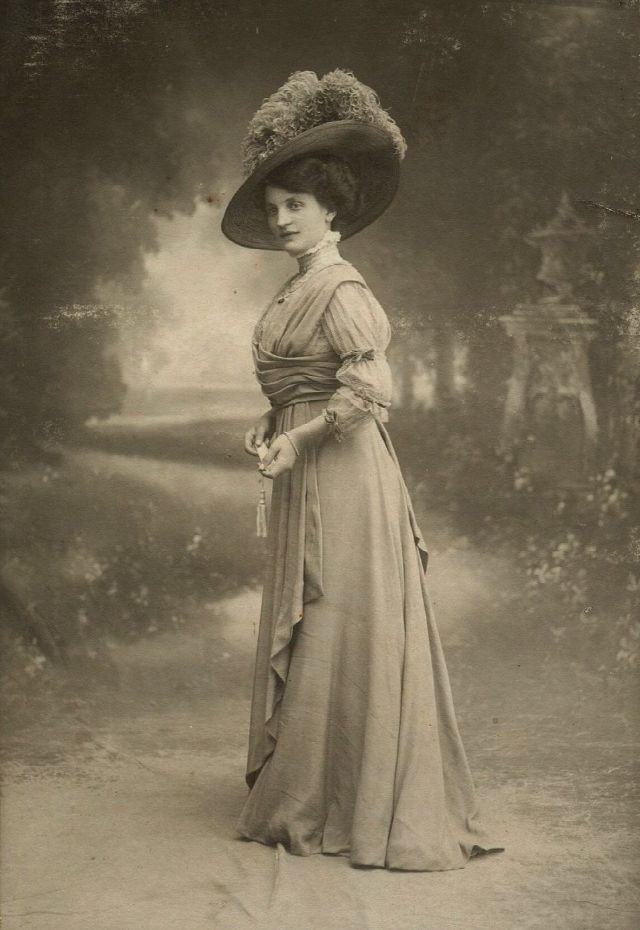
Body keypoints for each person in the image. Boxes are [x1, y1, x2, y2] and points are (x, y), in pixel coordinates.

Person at [221, 69, 502, 871]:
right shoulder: (295, 287)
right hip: (308, 463)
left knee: (340, 613)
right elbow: (297, 385)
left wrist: (302, 440)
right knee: (320, 622)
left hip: (344, 474)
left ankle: (355, 793)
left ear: (332, 209)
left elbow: (371, 389)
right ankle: (318, 778)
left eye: (295, 207)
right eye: (273, 209)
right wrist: (269, 425)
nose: (281, 220)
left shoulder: (341, 287)